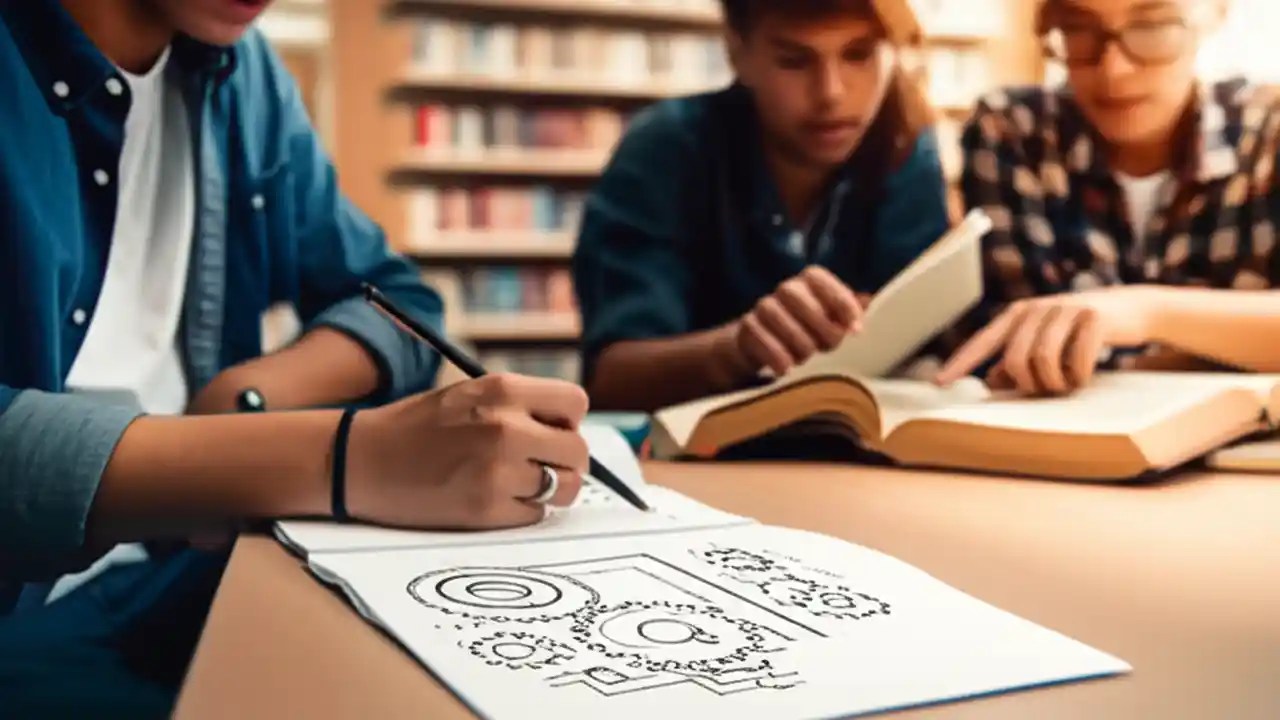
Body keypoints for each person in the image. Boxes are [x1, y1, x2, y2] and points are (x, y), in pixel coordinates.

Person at [0, 0, 588, 715]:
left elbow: (398, 304)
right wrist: (342, 460)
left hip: (188, 567)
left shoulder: (244, 75)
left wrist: (254, 399)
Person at [572, 0, 952, 414]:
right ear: (737, 53)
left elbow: (928, 345)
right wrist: (736, 348)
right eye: (794, 61)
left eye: (859, 54)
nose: (832, 93)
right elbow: (612, 378)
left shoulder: (906, 147)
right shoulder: (666, 149)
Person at [936, 0, 1280, 396]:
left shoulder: (1266, 132)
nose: (1114, 69)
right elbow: (1029, 353)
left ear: (1216, 11)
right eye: (1078, 31)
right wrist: (1233, 340)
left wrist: (1146, 311)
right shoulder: (1013, 130)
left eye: (1152, 28)